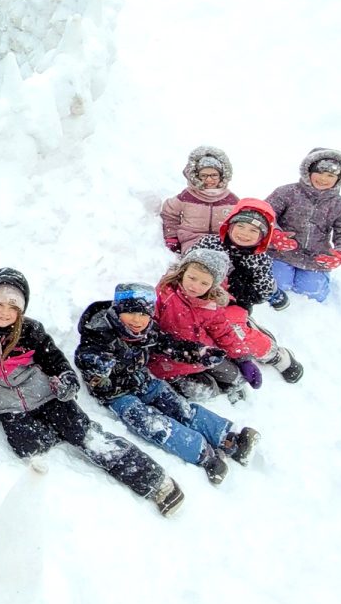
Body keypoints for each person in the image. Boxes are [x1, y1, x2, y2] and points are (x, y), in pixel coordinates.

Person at [0, 268, 182, 516]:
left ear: (21, 310)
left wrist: (66, 378)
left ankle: (156, 482)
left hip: (45, 395)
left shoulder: (30, 331)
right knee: (26, 447)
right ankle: (57, 433)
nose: (4, 312)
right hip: (5, 402)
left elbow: (54, 360)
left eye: (13, 307)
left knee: (87, 435)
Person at [75, 282, 259, 486]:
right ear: (118, 311)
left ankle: (226, 436)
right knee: (151, 423)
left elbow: (168, 344)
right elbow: (85, 356)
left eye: (143, 315)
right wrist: (97, 365)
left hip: (141, 380)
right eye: (131, 313)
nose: (137, 320)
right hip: (115, 393)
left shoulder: (146, 330)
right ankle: (201, 453)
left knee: (179, 407)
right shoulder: (100, 333)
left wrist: (199, 353)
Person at [151, 248, 303, 400]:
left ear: (213, 284)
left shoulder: (211, 304)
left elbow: (223, 332)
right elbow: (150, 327)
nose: (195, 286)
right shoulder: (165, 294)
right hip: (173, 356)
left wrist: (242, 358)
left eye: (204, 283)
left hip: (206, 354)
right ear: (182, 272)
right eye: (192, 278)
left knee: (235, 378)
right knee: (203, 391)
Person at [265, 148, 341, 304]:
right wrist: (275, 234)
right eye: (320, 173)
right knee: (276, 286)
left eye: (330, 175)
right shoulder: (287, 192)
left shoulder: (340, 205)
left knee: (313, 295)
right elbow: (266, 214)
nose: (323, 179)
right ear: (308, 171)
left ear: (339, 179)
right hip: (280, 253)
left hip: (315, 259)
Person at [191, 199, 286, 312]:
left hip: (235, 303)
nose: (245, 234)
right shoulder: (209, 243)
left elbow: (264, 290)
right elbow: (184, 266)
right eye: (240, 226)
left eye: (253, 231)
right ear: (230, 226)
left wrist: (245, 292)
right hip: (198, 292)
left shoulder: (261, 259)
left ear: (262, 237)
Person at [159, 146, 240, 254]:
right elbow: (169, 214)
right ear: (196, 176)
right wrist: (172, 236)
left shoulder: (231, 200)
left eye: (214, 175)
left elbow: (239, 221)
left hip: (222, 243)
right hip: (192, 241)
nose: (209, 180)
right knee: (203, 261)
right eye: (204, 175)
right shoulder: (187, 196)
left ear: (222, 176)